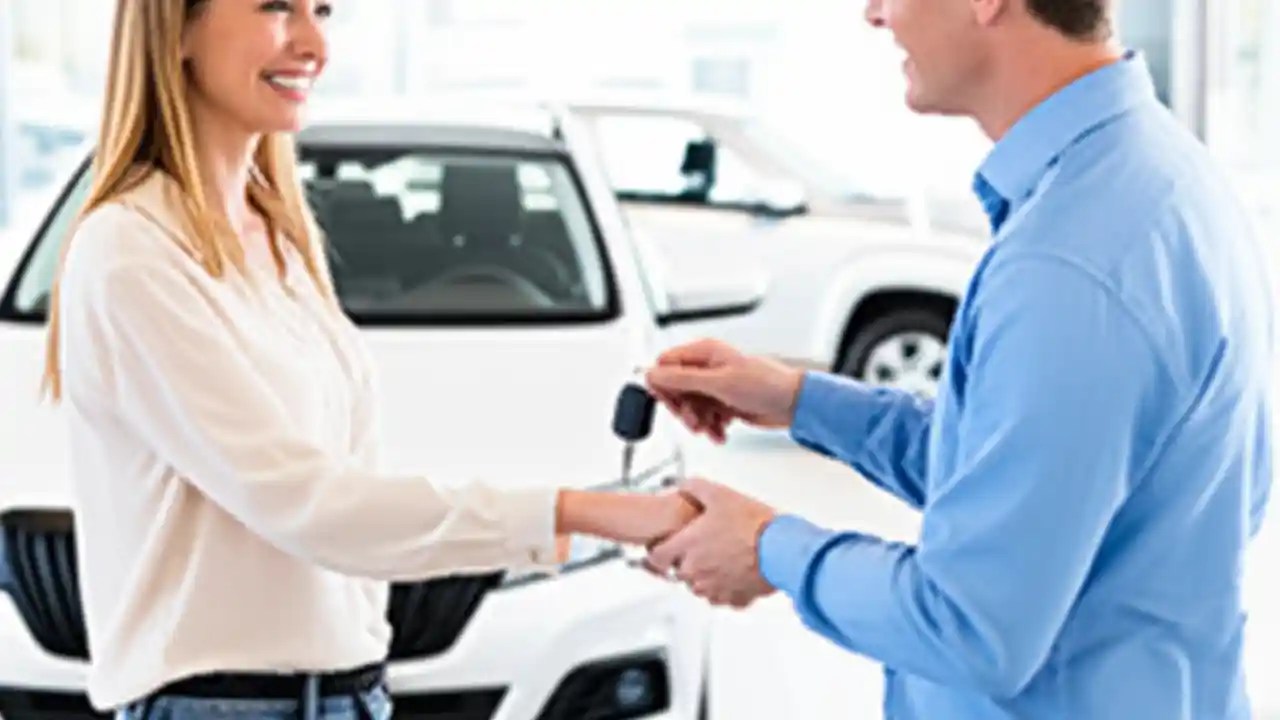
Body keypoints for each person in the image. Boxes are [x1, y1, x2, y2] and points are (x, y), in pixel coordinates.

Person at [43, 1, 698, 719]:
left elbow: (343, 484)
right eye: (276, 7)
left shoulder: (279, 237)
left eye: (322, 10)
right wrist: (593, 512)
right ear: (178, 29)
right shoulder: (131, 250)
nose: (316, 43)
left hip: (348, 694)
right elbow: (305, 501)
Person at [642, 1, 1275, 718]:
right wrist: (800, 402)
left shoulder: (1070, 260)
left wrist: (768, 548)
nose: (874, 14)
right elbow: (1025, 475)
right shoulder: (1153, 175)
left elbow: (972, 626)